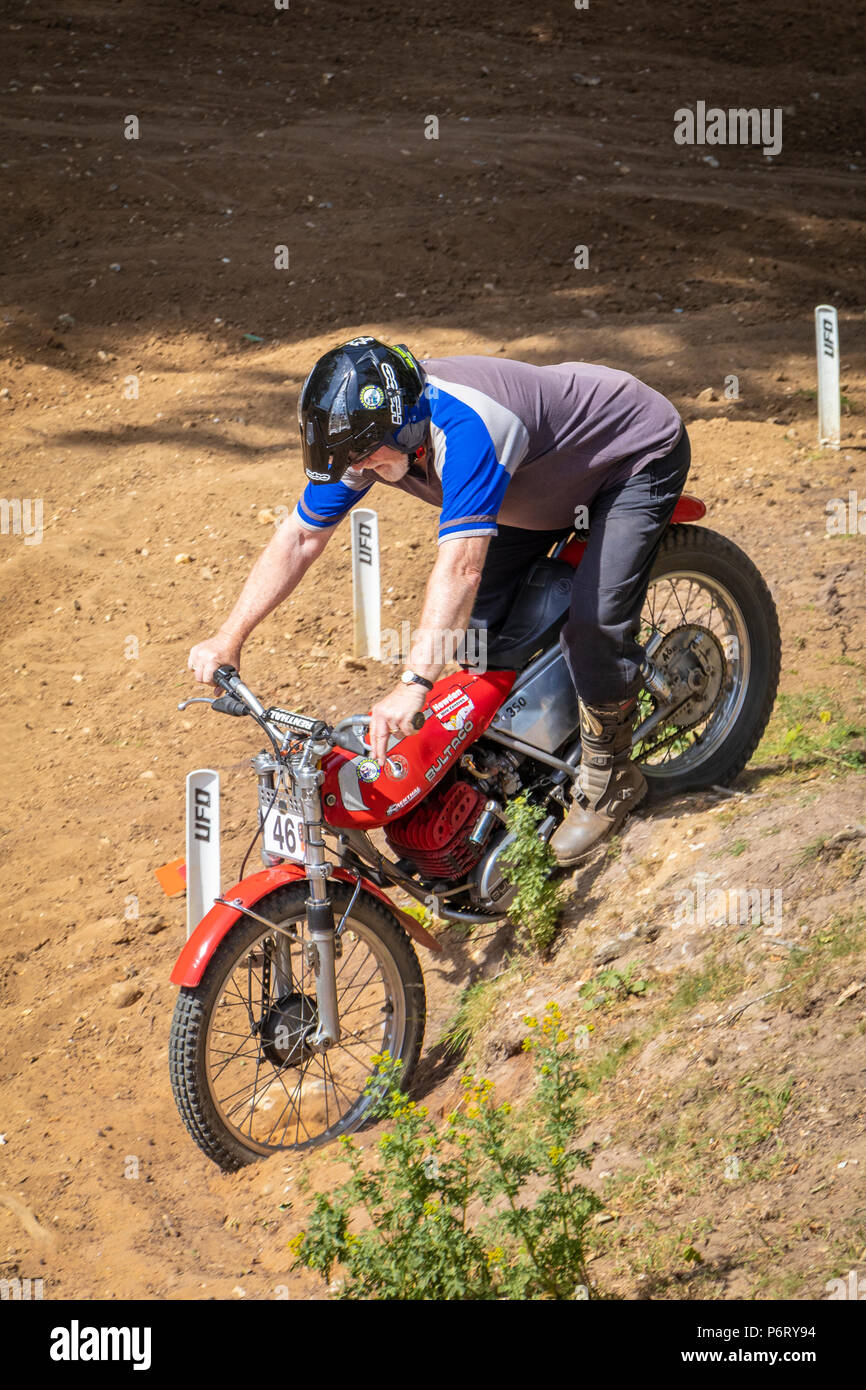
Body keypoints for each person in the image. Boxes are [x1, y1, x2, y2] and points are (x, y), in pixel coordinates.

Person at [188, 337, 690, 864]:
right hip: (535, 486)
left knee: (594, 626)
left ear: (403, 427)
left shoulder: (467, 428)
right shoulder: (367, 442)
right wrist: (230, 636)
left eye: (362, 455)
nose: (354, 468)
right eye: (346, 457)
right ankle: (533, 760)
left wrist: (413, 684)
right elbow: (300, 538)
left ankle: (611, 778)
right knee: (479, 635)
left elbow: (462, 566)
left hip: (629, 456)